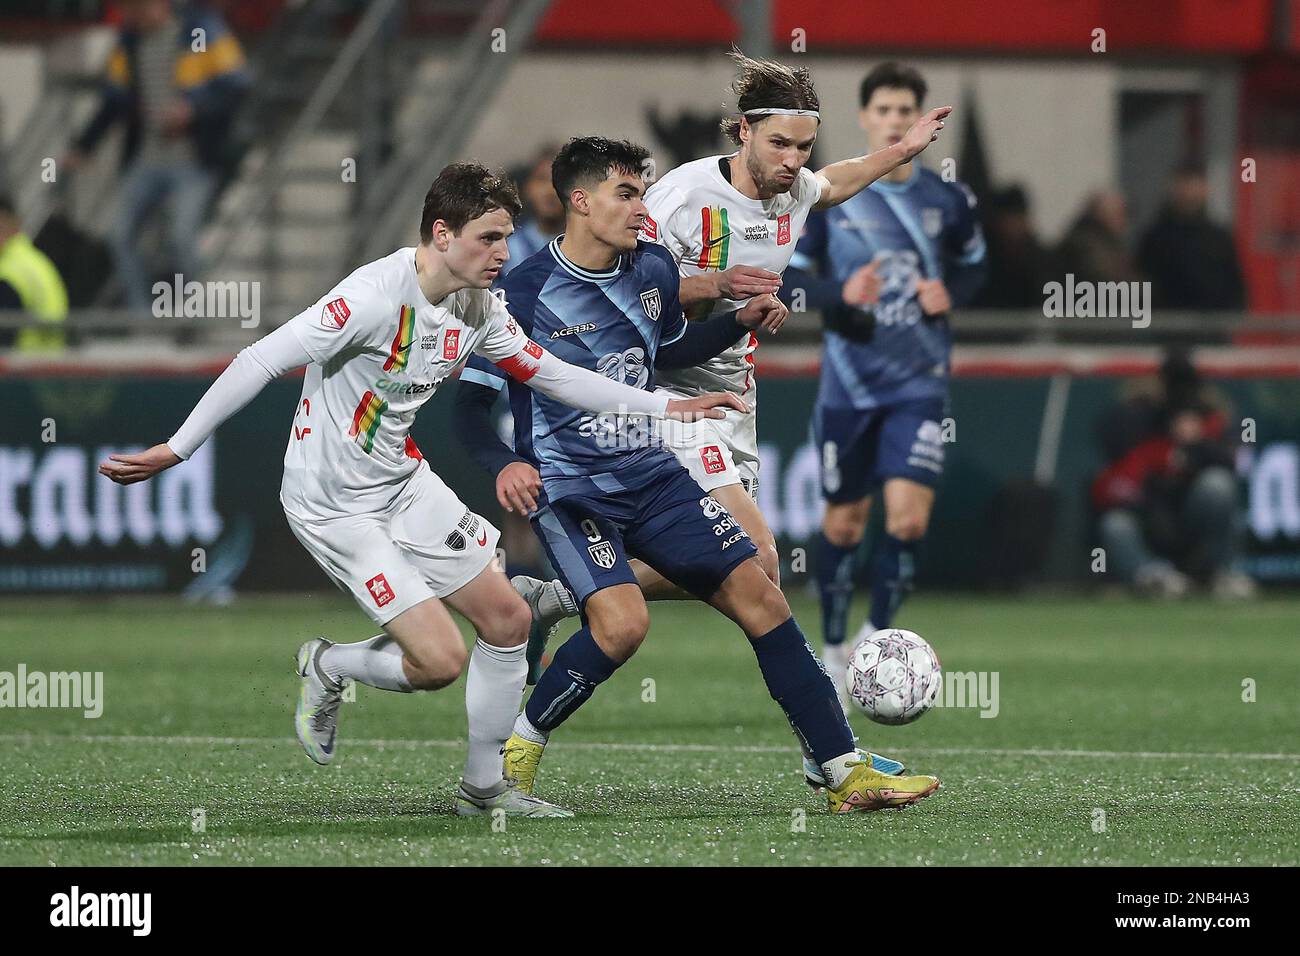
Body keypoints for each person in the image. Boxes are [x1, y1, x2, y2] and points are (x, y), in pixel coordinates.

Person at [98, 162, 742, 818]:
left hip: (403, 481)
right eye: (489, 238)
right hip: (333, 502)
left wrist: (663, 407)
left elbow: (553, 374)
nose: (503, 253)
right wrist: (178, 447)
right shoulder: (371, 298)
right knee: (438, 662)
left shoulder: (481, 309)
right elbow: (260, 357)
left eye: (507, 236)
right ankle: (330, 666)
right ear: (441, 233)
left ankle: (483, 790)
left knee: (510, 619)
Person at [455, 136, 942, 814]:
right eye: (627, 194)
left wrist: (738, 321)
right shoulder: (520, 291)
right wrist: (504, 461)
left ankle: (841, 771)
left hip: (653, 473)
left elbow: (670, 346)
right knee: (623, 625)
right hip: (571, 489)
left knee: (761, 590)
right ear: (581, 200)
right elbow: (469, 410)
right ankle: (513, 756)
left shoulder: (650, 269)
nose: (641, 208)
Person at [781, 61, 987, 709]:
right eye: (886, 111)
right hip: (847, 387)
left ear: (921, 119)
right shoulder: (832, 197)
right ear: (867, 118)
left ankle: (878, 642)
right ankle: (837, 647)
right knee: (842, 527)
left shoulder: (947, 199)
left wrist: (948, 293)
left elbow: (979, 269)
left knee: (906, 517)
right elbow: (787, 280)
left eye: (907, 111)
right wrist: (838, 293)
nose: (896, 121)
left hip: (918, 386)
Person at [66, 0, 250, 308]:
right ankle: (143, 316)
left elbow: (237, 85)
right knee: (119, 235)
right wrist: (83, 146)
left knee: (182, 239)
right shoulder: (131, 41)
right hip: (148, 159)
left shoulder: (201, 30)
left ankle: (197, 314)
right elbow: (113, 101)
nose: (136, 15)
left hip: (194, 160)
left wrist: (193, 110)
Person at [1091, 351, 1254, 599]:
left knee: (1217, 484)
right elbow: (1110, 485)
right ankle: (1153, 577)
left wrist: (1196, 447)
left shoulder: (1213, 423)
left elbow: (1238, 464)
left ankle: (1218, 572)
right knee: (1115, 524)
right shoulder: (1139, 425)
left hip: (1192, 524)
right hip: (1150, 521)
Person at [1138, 164, 1245, 311]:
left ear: (1204, 191)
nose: (1188, 194)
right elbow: (1143, 279)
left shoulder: (1218, 238)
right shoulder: (1156, 237)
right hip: (1167, 324)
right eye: (1183, 188)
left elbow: (1233, 283)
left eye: (1193, 189)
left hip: (1210, 325)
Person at [0, 195, 69, 352]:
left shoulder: (9, 273)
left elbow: (4, 337)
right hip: (49, 362)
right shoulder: (36, 261)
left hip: (21, 366)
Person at [500, 144, 564, 276]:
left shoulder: (588, 250)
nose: (549, 191)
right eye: (541, 179)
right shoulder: (508, 246)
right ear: (528, 188)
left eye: (560, 182)